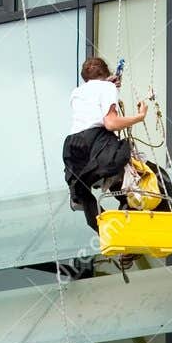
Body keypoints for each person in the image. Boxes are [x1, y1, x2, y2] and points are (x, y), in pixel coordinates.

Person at [62, 55, 149, 234]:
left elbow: (94, 94)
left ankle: (108, 233)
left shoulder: (76, 92)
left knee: (84, 191)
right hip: (96, 140)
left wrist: (107, 84)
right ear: (106, 72)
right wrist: (139, 117)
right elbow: (111, 123)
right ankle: (130, 219)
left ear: (85, 77)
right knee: (124, 169)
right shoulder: (108, 87)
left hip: (72, 146)